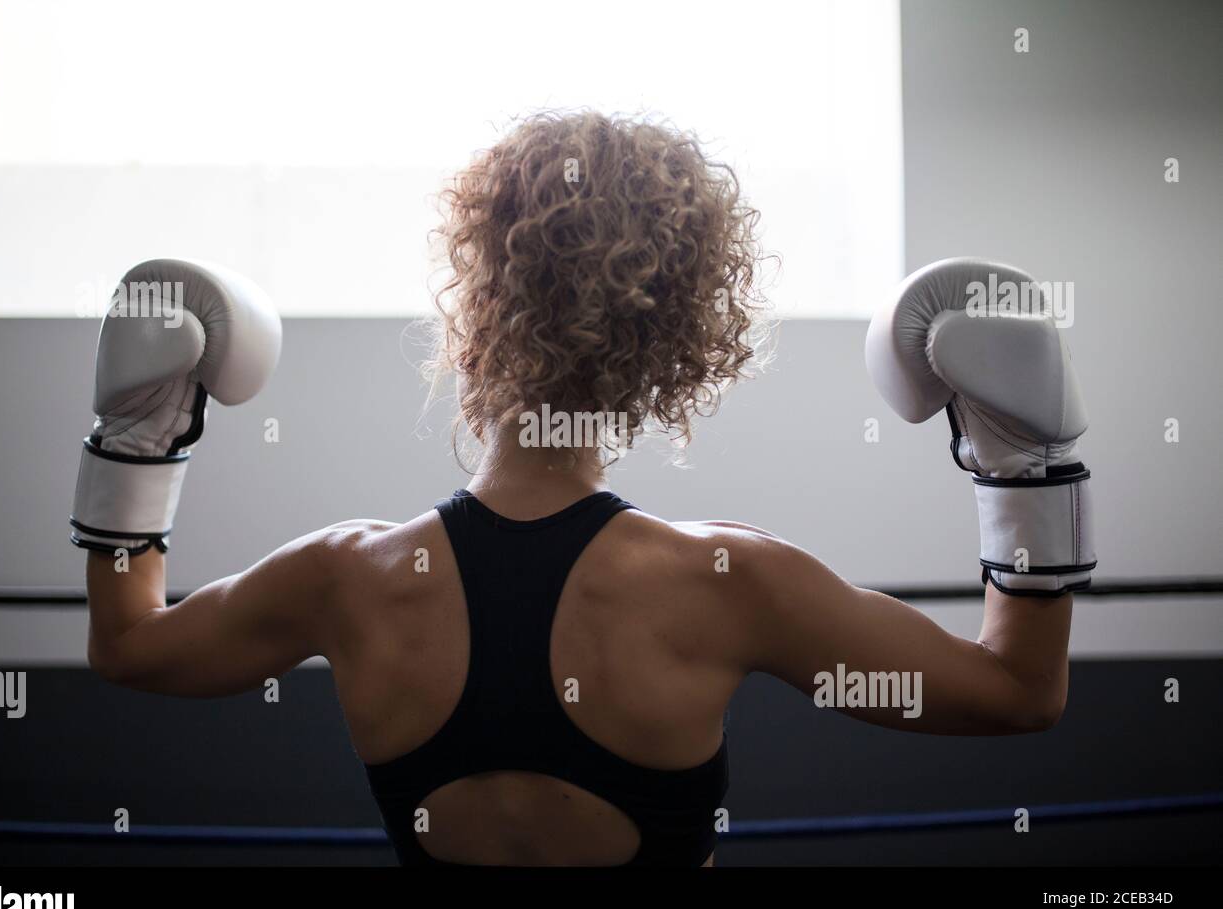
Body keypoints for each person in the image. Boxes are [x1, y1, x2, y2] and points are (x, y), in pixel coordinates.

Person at [73, 111, 1094, 866]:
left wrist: (141, 440)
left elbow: (129, 644)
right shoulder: (729, 581)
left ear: (472, 311)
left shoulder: (347, 576)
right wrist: (1019, 467)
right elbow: (1016, 691)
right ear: (678, 338)